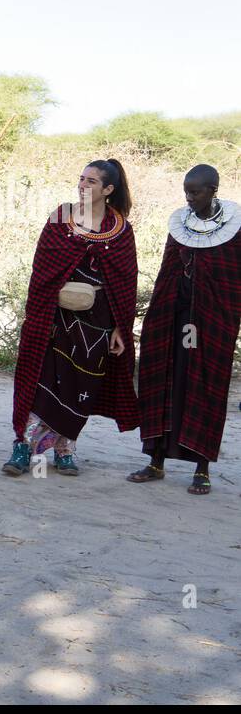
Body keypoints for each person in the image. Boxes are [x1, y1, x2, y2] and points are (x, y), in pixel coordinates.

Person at [3, 159, 138, 477]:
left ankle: (64, 449)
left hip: (96, 324)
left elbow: (125, 279)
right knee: (40, 380)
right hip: (53, 316)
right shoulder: (61, 217)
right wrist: (40, 311)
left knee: (81, 385)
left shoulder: (119, 229)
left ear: (108, 189)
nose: (82, 185)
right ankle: (24, 449)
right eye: (81, 179)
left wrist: (121, 327)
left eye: (91, 182)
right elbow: (43, 268)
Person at [129, 165, 241, 496]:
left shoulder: (234, 228)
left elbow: (233, 278)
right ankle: (155, 460)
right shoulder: (181, 224)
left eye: (196, 192)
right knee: (164, 383)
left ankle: (202, 467)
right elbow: (168, 271)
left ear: (213, 189)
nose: (190, 198)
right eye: (186, 192)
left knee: (204, 387)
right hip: (173, 318)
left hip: (212, 322)